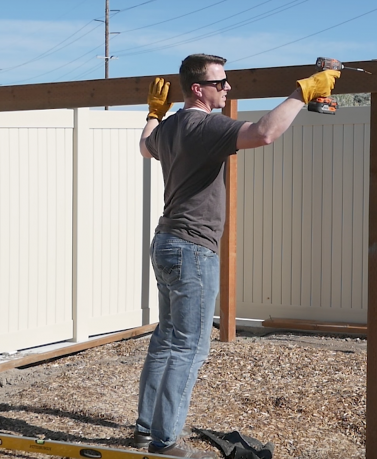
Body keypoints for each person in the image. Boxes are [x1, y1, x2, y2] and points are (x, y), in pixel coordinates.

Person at [134, 53, 339, 458]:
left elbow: (144, 147)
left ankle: (146, 430)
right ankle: (163, 442)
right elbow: (264, 133)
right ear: (198, 89)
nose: (228, 88)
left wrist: (155, 112)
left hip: (167, 242)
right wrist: (303, 91)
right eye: (220, 82)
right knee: (190, 347)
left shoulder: (173, 124)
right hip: (193, 249)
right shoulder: (204, 124)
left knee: (166, 339)